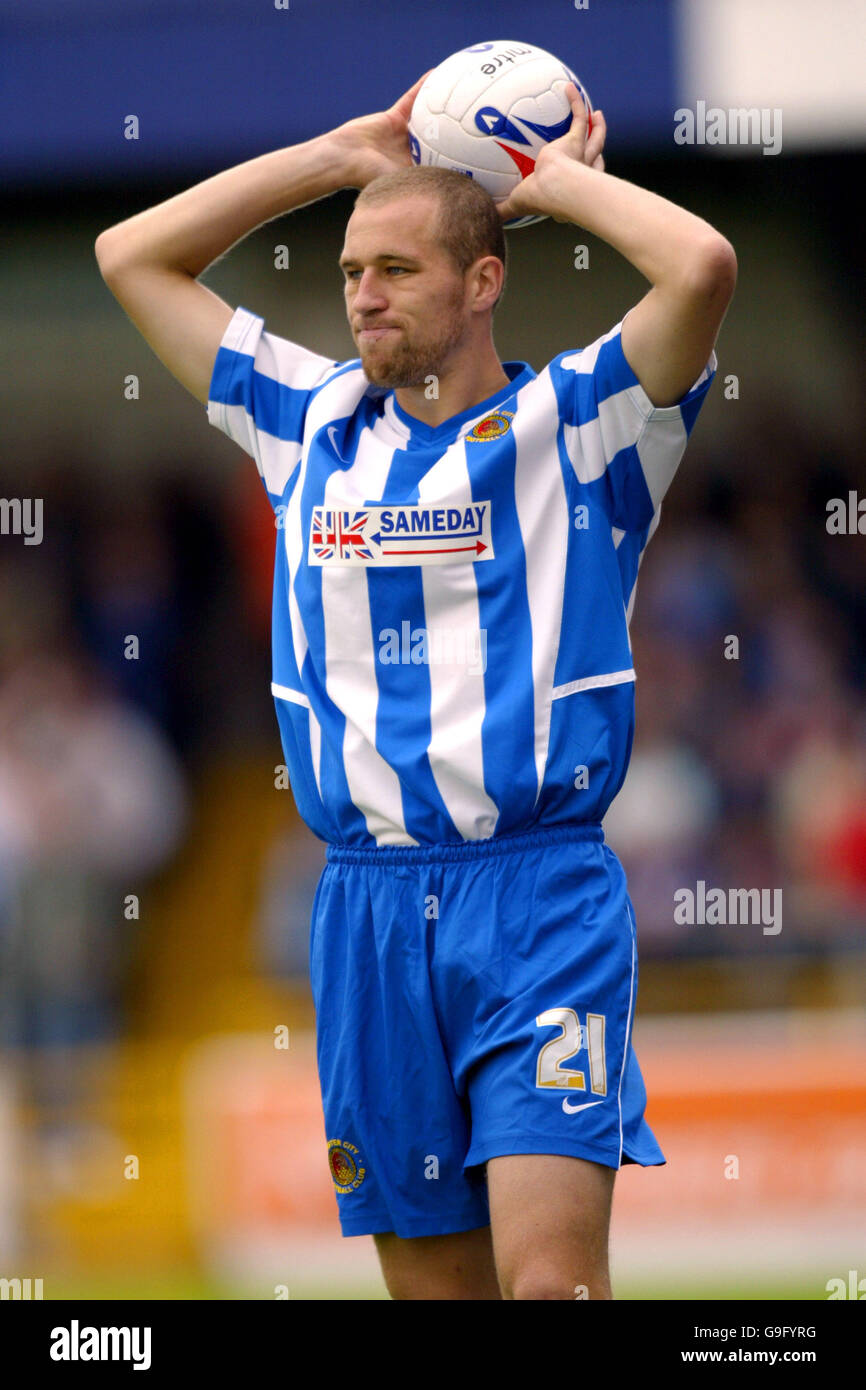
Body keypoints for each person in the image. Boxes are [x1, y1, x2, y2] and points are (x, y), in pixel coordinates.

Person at [95, 70, 736, 1300]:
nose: (362, 297)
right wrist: (334, 156)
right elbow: (132, 256)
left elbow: (700, 265)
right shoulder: (305, 418)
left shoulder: (585, 419)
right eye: (348, 272)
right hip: (366, 908)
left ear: (482, 280)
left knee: (549, 1286)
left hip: (539, 901)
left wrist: (561, 183)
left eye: (395, 269)